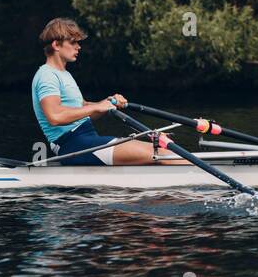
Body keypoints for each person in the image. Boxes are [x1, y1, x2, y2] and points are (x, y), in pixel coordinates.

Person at [31, 18, 173, 166]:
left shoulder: (63, 74)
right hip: (73, 145)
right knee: (161, 153)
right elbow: (55, 116)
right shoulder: (47, 75)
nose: (78, 47)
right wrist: (97, 106)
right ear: (56, 45)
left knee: (159, 152)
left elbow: (82, 108)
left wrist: (108, 102)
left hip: (86, 141)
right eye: (73, 42)